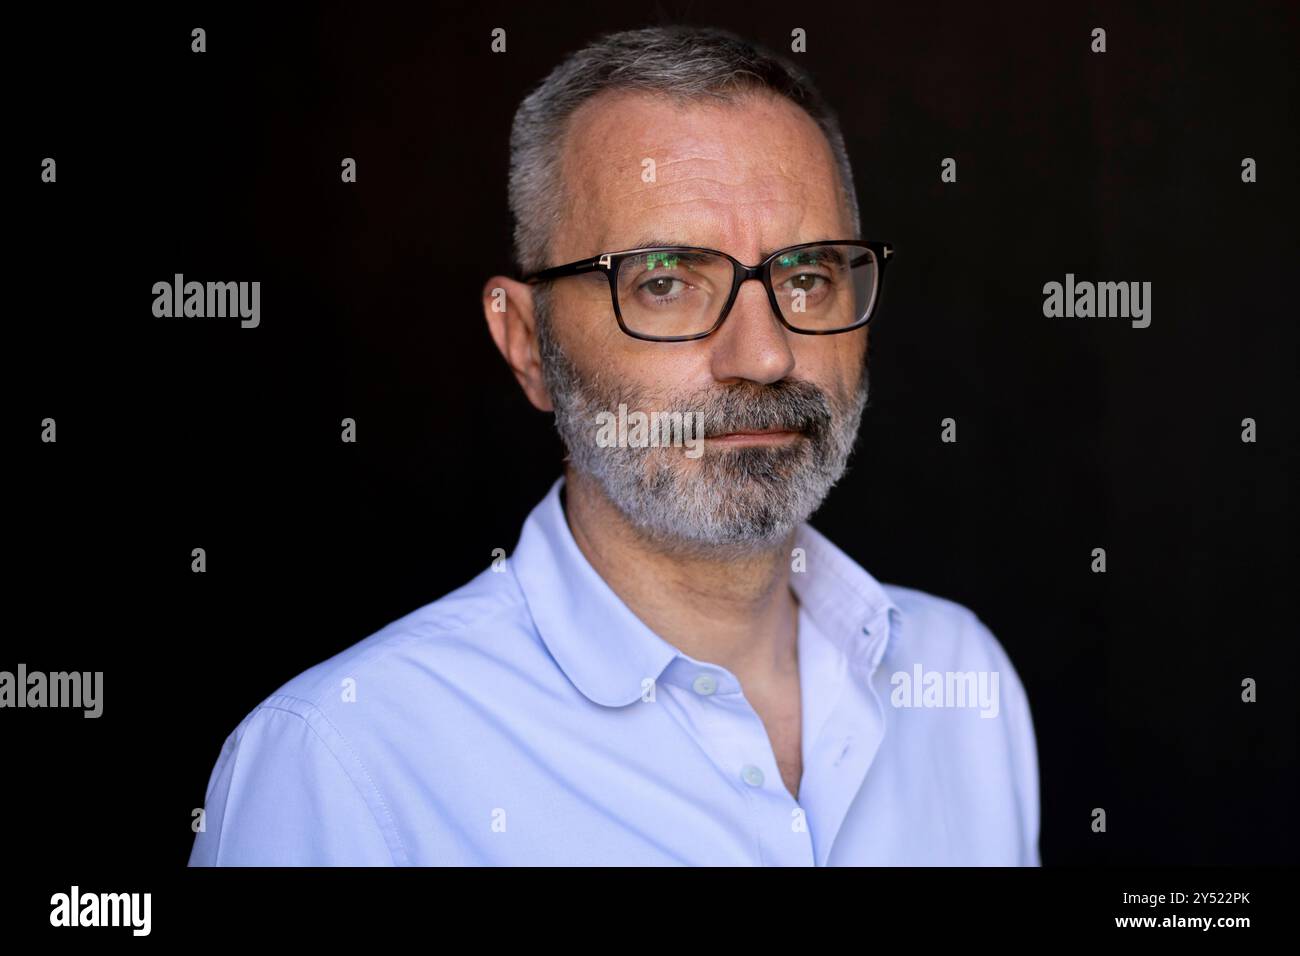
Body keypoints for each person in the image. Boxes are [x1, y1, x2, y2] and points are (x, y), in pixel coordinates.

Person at [189, 24, 1040, 866]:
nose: (765, 355)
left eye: (807, 276)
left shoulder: (960, 677)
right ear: (527, 343)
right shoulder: (342, 765)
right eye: (665, 282)